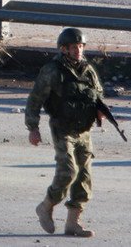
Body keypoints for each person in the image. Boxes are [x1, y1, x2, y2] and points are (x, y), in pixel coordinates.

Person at [25, 27, 104, 238]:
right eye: (73, 47)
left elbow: (97, 93)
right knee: (68, 172)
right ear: (64, 49)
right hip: (63, 129)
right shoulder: (52, 70)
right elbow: (35, 99)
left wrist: (100, 110)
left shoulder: (87, 69)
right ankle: (46, 206)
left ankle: (73, 223)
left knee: (84, 177)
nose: (78, 51)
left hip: (84, 130)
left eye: (80, 46)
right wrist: (33, 128)